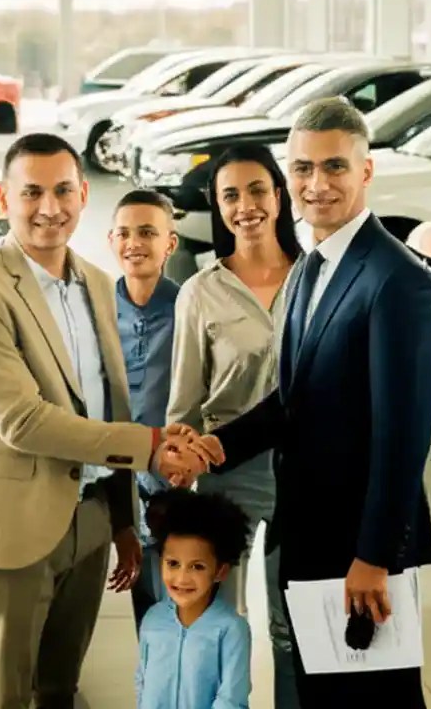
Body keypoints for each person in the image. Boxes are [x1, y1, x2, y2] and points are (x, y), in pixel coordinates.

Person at [163, 98, 431, 706]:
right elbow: (295, 397)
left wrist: (373, 556)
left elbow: (404, 437)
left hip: (359, 546)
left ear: (366, 172)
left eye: (335, 167)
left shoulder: (396, 282)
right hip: (307, 526)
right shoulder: (314, 266)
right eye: (304, 169)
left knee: (377, 695)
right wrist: (221, 444)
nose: (318, 185)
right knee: (321, 688)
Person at [0, 132, 221, 709]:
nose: (50, 207)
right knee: (1, 696)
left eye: (63, 190)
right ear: (3, 196)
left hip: (90, 524)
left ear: (84, 193)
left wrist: (120, 520)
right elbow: (22, 421)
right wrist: (148, 446)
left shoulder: (96, 281)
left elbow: (108, 401)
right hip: (14, 531)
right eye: (32, 192)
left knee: (60, 690)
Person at [165, 142, 302, 708]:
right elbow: (184, 402)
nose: (245, 206)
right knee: (225, 621)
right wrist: (178, 461)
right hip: (228, 473)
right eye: (230, 195)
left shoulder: (316, 278)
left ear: (278, 194)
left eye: (256, 190)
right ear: (217, 208)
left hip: (304, 474)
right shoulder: (201, 291)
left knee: (292, 622)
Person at [107, 188, 181, 630]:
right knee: (144, 607)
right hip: (114, 478)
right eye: (125, 233)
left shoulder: (190, 306)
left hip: (175, 482)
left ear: (170, 243)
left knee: (181, 602)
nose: (134, 243)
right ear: (111, 240)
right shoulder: (96, 307)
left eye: (148, 232)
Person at [134, 488, 253, 709]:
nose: (181, 578)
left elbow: (232, 699)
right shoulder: (153, 619)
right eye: (173, 564)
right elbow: (142, 682)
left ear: (220, 572)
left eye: (197, 566)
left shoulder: (231, 629)